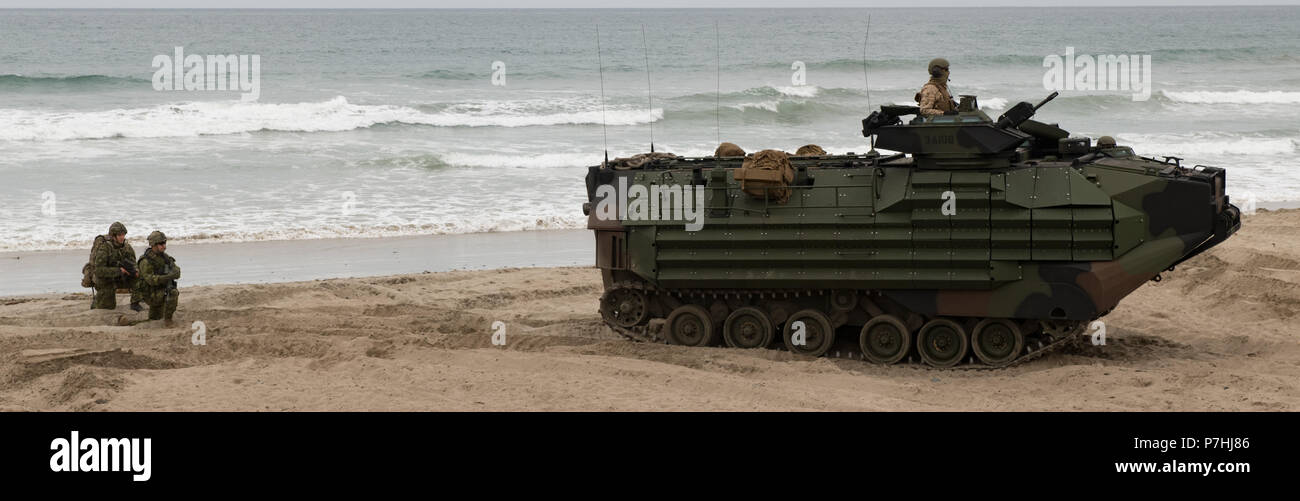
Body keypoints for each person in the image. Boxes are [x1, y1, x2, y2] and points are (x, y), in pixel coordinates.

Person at [90, 222, 140, 311]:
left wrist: (135, 270)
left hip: (121, 277)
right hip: (105, 280)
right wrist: (119, 270)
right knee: (107, 307)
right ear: (113, 236)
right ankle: (97, 300)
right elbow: (99, 271)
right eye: (119, 235)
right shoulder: (104, 248)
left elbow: (133, 263)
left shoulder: (127, 247)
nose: (122, 237)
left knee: (140, 279)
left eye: (123, 234)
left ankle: (135, 303)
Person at [137, 231, 181, 326]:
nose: (164, 246)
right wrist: (168, 276)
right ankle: (168, 320)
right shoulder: (145, 261)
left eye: (164, 243)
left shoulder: (164, 257)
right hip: (150, 293)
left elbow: (177, 271)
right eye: (161, 244)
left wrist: (174, 272)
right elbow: (151, 280)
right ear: (153, 245)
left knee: (154, 319)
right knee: (173, 293)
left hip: (160, 290)